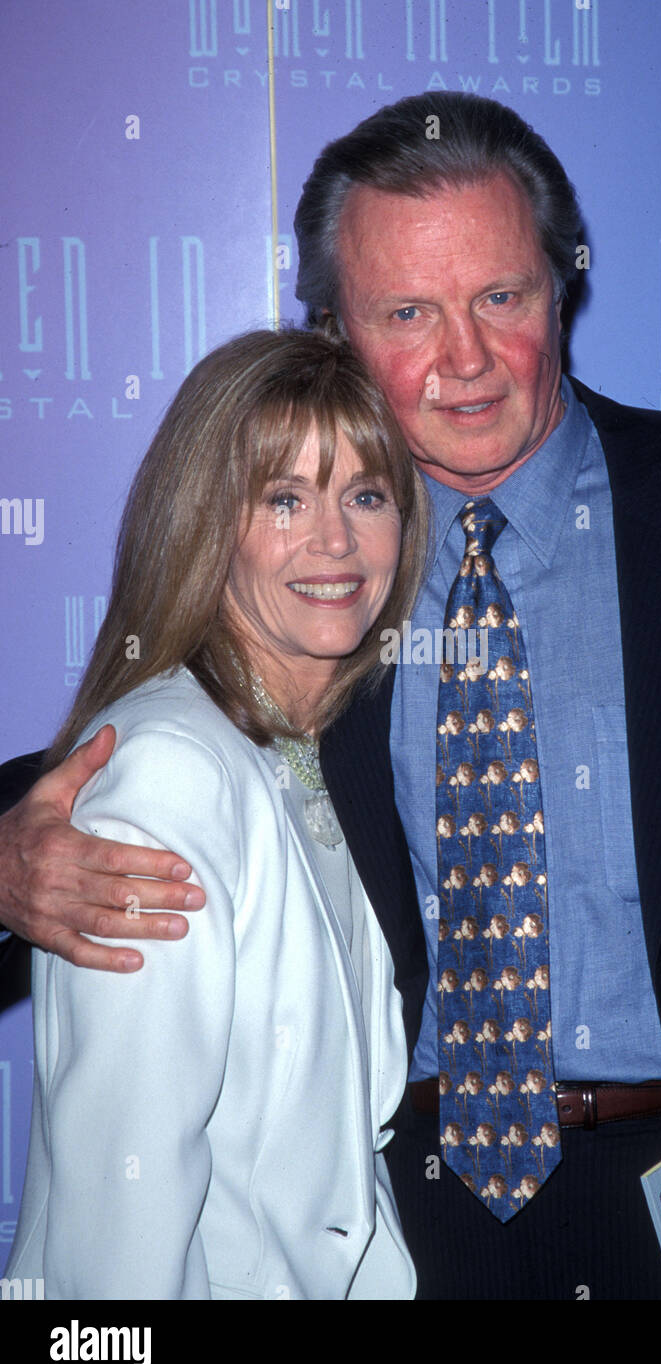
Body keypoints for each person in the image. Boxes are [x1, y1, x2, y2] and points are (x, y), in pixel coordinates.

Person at [2, 93, 661, 1300]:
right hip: (398, 1226)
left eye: (499, 298)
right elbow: (162, 723)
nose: (462, 359)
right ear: (337, 330)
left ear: (561, 288)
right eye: (406, 311)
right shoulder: (317, 564)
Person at [2, 326, 429, 1299]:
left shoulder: (308, 750)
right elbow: (120, 1208)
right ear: (205, 524)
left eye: (365, 494)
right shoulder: (169, 774)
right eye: (284, 498)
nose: (336, 541)